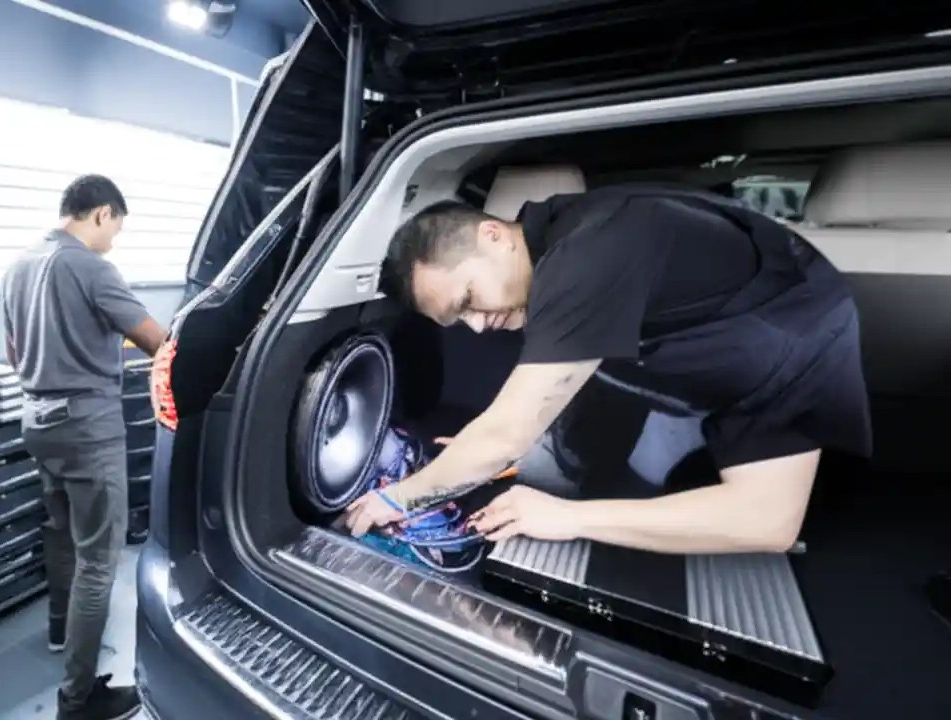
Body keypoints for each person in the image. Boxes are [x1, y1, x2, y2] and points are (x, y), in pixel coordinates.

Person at [345, 185, 872, 554]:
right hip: (676, 365)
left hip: (782, 339)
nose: (478, 328)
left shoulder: (592, 252)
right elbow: (510, 426)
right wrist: (473, 453)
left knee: (754, 514)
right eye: (458, 319)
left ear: (494, 236)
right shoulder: (557, 246)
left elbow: (767, 524)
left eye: (468, 299)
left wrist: (403, 497)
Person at [0, 174, 165, 720]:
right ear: (101, 214)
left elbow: (14, 351)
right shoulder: (92, 267)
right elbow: (155, 341)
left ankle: (59, 632)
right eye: (115, 228)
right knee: (100, 559)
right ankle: (79, 699)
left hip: (36, 420)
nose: (114, 240)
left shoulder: (18, 266)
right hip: (87, 426)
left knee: (61, 534)